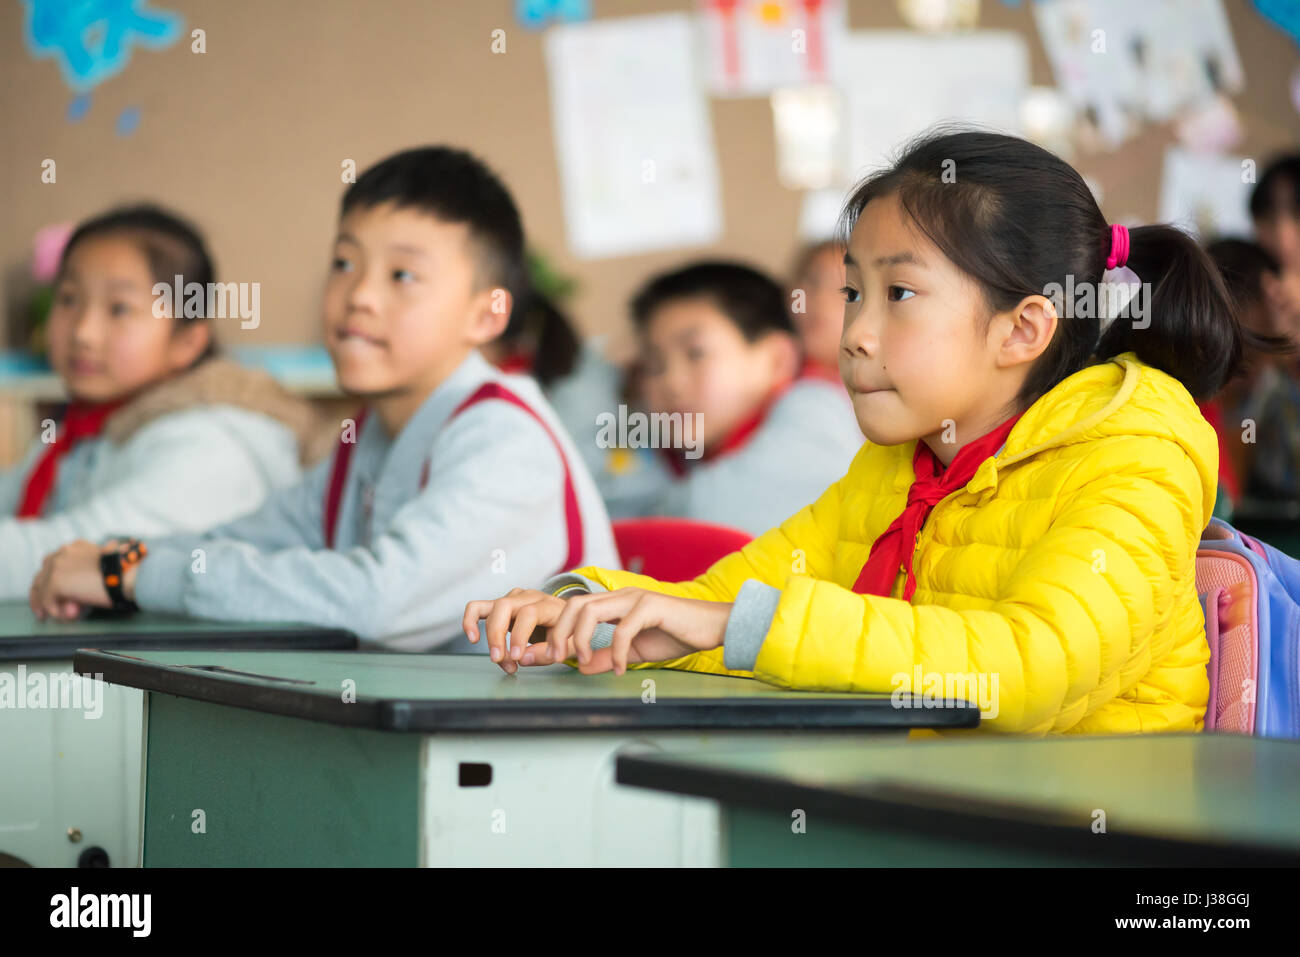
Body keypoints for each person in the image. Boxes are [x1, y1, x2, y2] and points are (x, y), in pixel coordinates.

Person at [466, 127, 1289, 735]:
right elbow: (730, 594)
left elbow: (1030, 667)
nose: (854, 332)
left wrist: (734, 626)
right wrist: (588, 606)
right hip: (931, 804)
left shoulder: (1139, 452)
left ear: (1023, 329)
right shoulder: (904, 461)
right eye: (853, 293)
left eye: (898, 295)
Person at [29, 147, 619, 649]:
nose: (358, 294)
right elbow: (239, 541)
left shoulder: (503, 438)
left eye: (402, 276)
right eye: (344, 262)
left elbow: (378, 600)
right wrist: (114, 557)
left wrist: (128, 577)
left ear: (486, 315)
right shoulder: (369, 438)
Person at [0, 204, 315, 601]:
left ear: (187, 341)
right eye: (68, 298)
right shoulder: (83, 427)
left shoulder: (208, 448)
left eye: (119, 309)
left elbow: (64, 560)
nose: (84, 331)